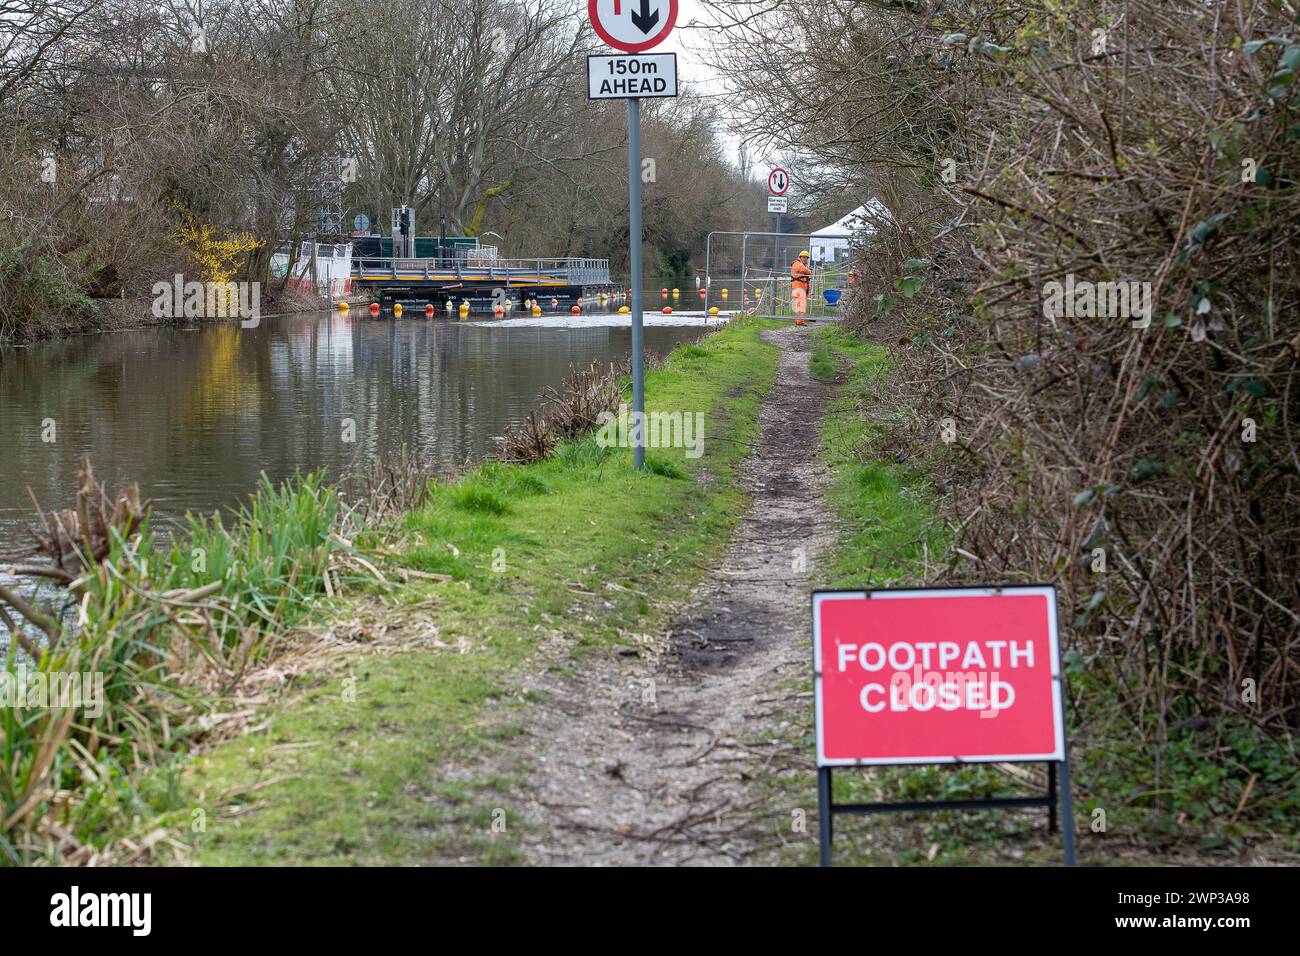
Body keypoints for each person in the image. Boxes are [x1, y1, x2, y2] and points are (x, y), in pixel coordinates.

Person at [790, 250, 812, 324]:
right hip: (798, 287)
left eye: (806, 258)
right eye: (804, 257)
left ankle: (801, 320)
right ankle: (799, 321)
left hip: (801, 287)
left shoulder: (801, 264)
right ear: (800, 257)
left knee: (802, 303)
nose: (805, 259)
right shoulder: (797, 264)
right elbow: (804, 270)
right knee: (801, 303)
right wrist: (809, 271)